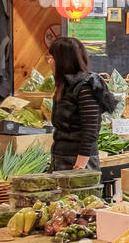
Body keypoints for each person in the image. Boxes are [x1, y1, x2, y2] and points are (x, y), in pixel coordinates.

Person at [48, 36, 112, 171]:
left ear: (63, 61)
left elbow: (90, 129)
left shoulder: (86, 86)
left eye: (53, 57)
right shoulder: (65, 85)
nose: (50, 61)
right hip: (61, 156)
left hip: (78, 161)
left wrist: (81, 164)